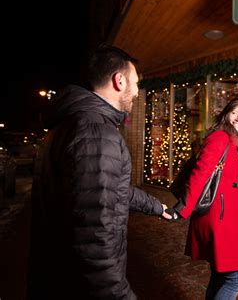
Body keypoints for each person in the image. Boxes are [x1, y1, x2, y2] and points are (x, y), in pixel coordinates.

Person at [27, 45, 172, 300]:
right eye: (136, 83)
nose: (137, 91)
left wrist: (155, 206)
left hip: (55, 276)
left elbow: (110, 188)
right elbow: (93, 235)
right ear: (119, 80)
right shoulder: (96, 132)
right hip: (77, 286)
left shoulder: (74, 123)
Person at [170, 97, 238, 300]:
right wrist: (183, 208)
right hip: (218, 218)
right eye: (235, 112)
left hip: (226, 216)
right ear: (227, 113)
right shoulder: (220, 138)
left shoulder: (231, 141)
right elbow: (200, 174)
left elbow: (231, 186)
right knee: (235, 280)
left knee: (219, 276)